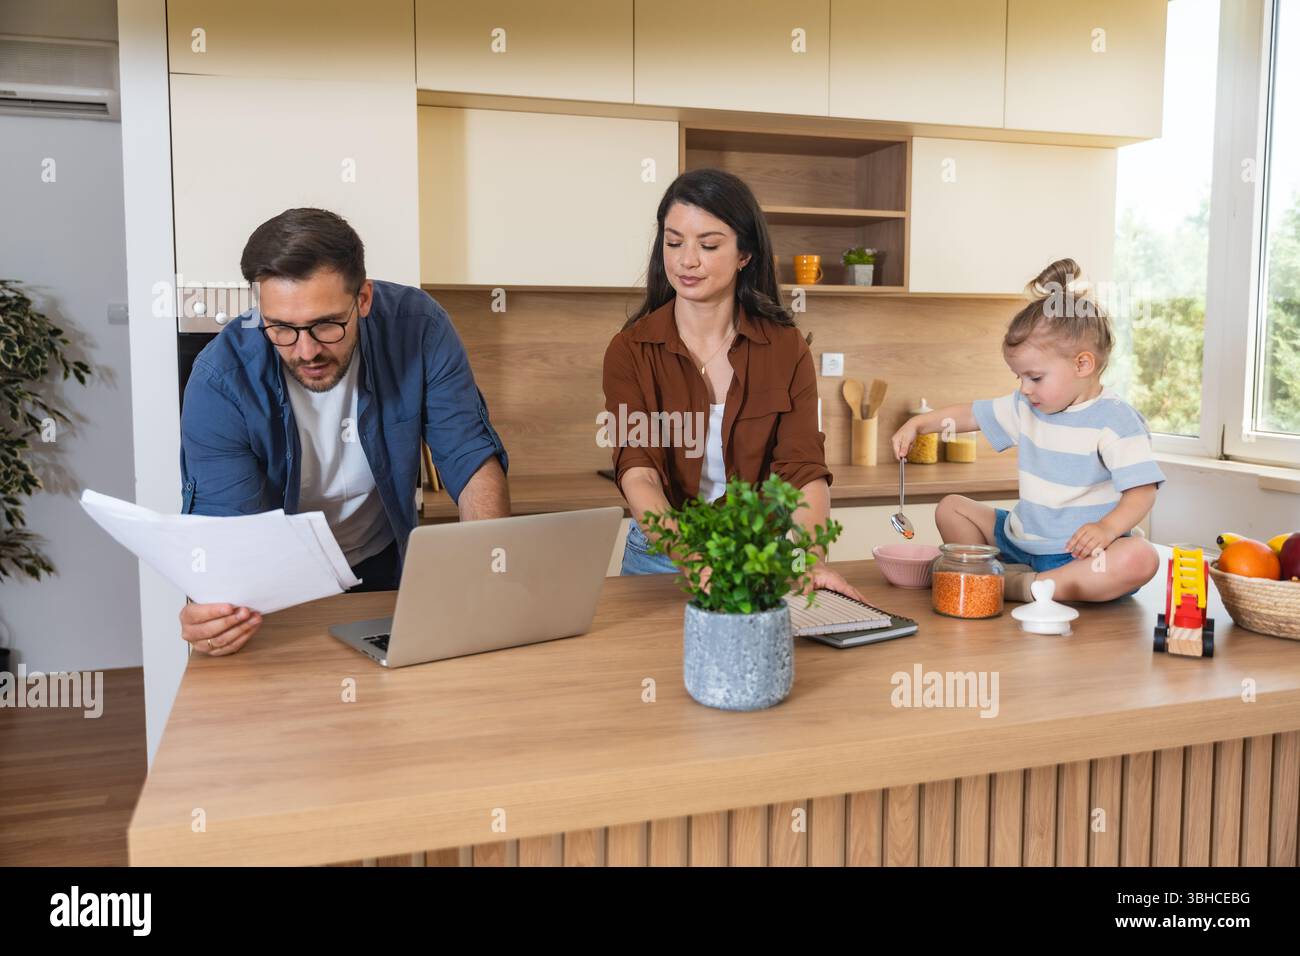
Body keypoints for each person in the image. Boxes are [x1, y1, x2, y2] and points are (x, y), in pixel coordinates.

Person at [178, 208, 510, 655]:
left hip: (381, 565)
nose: (307, 350)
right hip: (277, 588)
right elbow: (224, 532)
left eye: (327, 324)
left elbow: (469, 457)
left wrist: (487, 571)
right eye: (281, 329)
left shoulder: (418, 327)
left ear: (364, 299)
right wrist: (212, 617)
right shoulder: (220, 379)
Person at [602, 168, 864, 602]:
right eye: (673, 242)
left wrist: (807, 560)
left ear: (745, 253)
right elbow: (640, 471)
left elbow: (803, 472)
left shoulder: (785, 348)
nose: (687, 260)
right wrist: (691, 557)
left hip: (761, 557)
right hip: (661, 559)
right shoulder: (631, 350)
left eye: (708, 245)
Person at [892, 258, 1163, 603]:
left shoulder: (1116, 420)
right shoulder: (1028, 406)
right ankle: (1008, 579)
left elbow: (1143, 492)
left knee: (1140, 557)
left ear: (1082, 364)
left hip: (1083, 555)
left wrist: (1106, 529)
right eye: (1019, 377)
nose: (1024, 388)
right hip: (1020, 542)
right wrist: (920, 424)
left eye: (1034, 377)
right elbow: (971, 415)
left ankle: (1021, 586)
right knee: (950, 507)